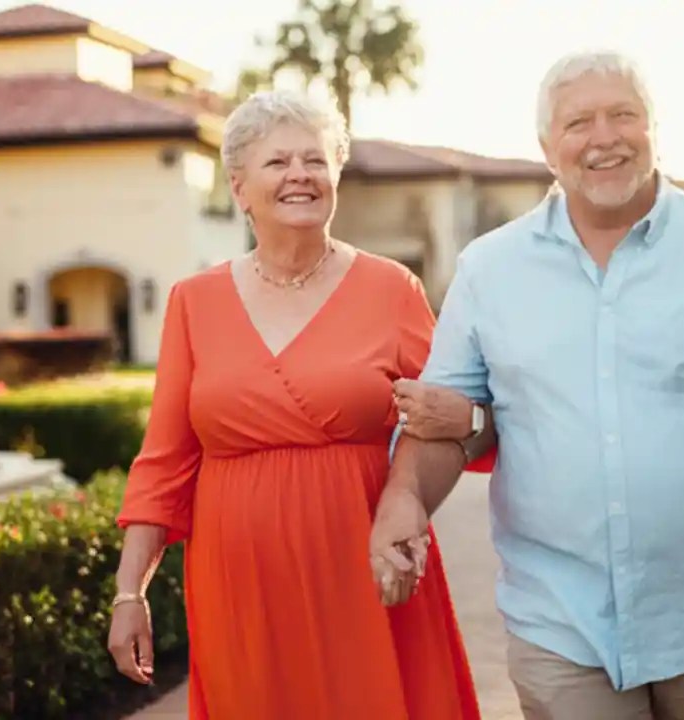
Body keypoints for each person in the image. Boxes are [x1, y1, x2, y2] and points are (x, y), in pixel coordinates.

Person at [370, 49, 684, 720]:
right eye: (579, 122)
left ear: (653, 128)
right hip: (560, 619)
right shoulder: (490, 271)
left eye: (624, 115)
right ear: (546, 147)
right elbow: (449, 423)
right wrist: (405, 497)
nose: (604, 138)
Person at [107, 90, 484, 720]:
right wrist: (129, 593)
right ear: (239, 187)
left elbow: (445, 420)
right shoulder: (193, 302)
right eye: (278, 162)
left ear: (335, 175)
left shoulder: (391, 289)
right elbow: (164, 462)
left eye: (315, 160)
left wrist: (410, 498)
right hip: (239, 585)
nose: (300, 175)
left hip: (365, 570)